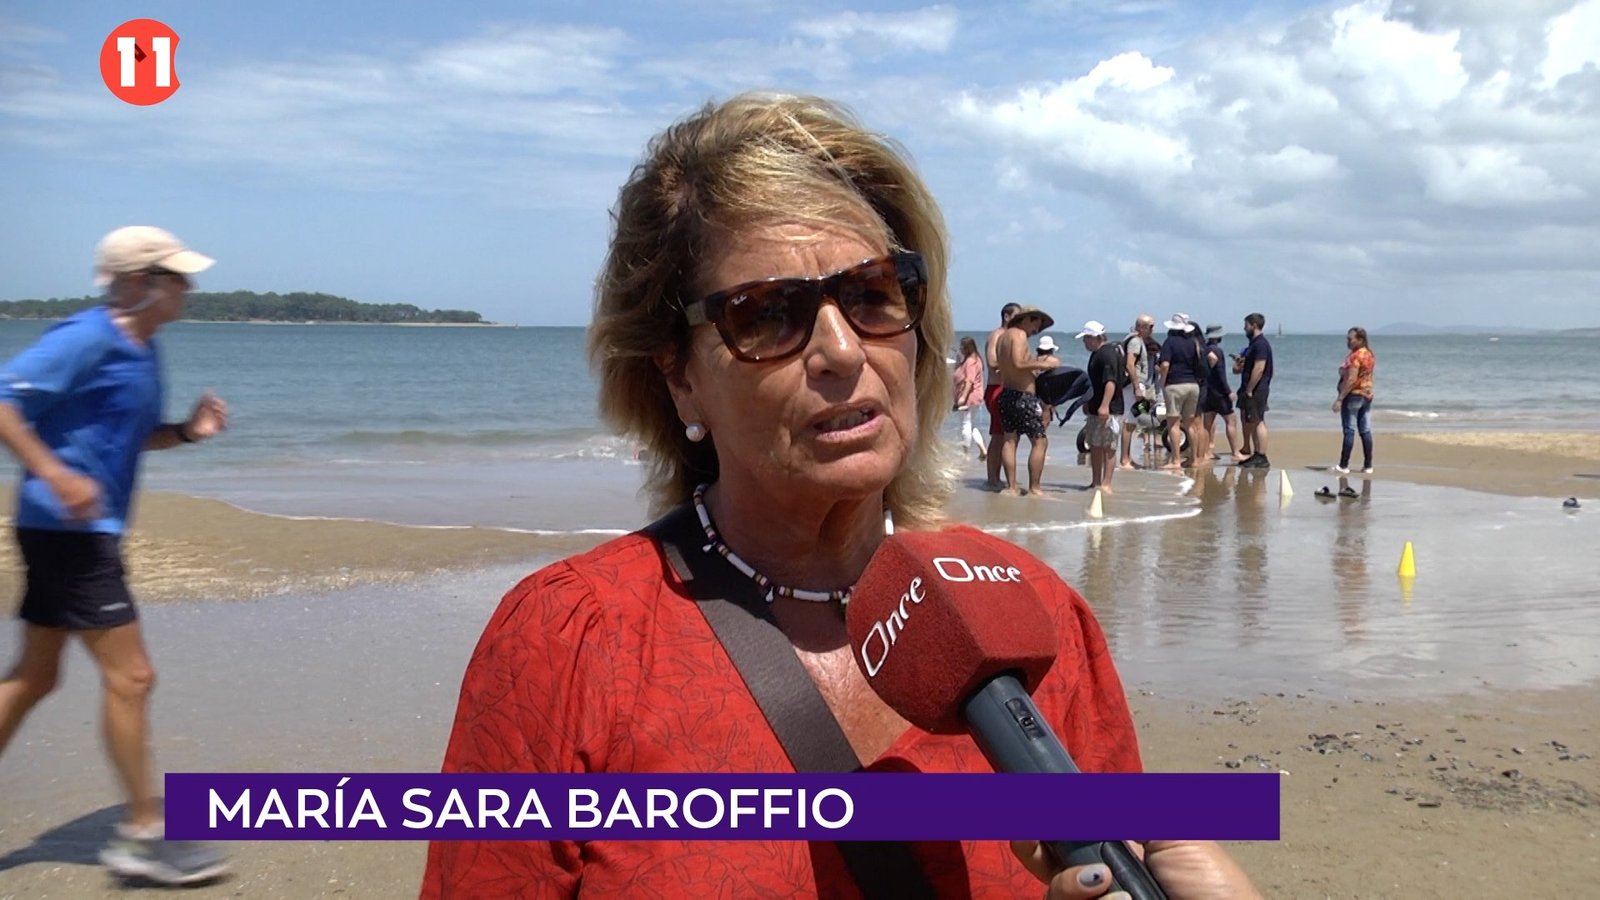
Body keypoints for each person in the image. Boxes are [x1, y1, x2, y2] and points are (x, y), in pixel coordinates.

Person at [420, 92, 1259, 899]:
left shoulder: (1037, 617)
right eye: (765, 313)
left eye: (870, 295)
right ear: (678, 378)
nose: (840, 351)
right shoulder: (571, 645)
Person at [0, 225, 231, 885]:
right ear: (139, 283)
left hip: (77, 535)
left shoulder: (143, 348)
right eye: (177, 275)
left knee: (34, 677)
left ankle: (139, 831)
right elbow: (4, 401)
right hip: (69, 535)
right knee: (132, 679)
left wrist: (187, 431)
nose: (188, 286)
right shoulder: (87, 338)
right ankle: (140, 834)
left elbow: (130, 438)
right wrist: (55, 473)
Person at [996, 305, 1061, 497]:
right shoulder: (1019, 335)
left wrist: (1033, 366)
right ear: (1027, 319)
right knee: (1040, 442)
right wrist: (1046, 363)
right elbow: (1018, 363)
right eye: (1036, 326)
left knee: (1010, 440)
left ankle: (1011, 487)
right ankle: (1035, 488)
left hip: (1007, 393)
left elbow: (1008, 366)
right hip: (1023, 397)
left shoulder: (1002, 338)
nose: (1036, 331)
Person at [1154, 313, 1213, 471]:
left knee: (1173, 423)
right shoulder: (1194, 342)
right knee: (1190, 424)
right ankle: (1194, 459)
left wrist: (1162, 380)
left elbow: (1165, 365)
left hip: (1175, 384)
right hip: (1193, 385)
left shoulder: (1170, 342)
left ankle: (1176, 460)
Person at [1076, 321, 1123, 494]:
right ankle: (1095, 481)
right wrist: (1087, 403)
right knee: (1095, 445)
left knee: (1109, 447)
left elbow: (1110, 382)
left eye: (1086, 339)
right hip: (1095, 407)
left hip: (1110, 409)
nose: (1084, 343)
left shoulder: (1107, 354)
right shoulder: (1097, 354)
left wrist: (1105, 406)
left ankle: (1106, 483)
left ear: (1094, 337)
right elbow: (1093, 384)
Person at [982, 302, 1021, 489]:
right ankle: (992, 478)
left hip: (1007, 389)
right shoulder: (997, 335)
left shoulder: (1012, 336)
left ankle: (998, 478)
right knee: (1000, 436)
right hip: (996, 389)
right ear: (1006, 316)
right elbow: (992, 361)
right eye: (1017, 316)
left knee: (1005, 435)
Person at [1333, 326, 1375, 474]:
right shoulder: (1369, 354)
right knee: (1365, 430)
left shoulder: (1356, 356)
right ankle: (1368, 465)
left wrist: (1340, 398)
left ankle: (1343, 465)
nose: (1348, 342)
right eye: (1348, 339)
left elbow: (1351, 379)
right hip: (1367, 394)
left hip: (1354, 394)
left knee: (1349, 430)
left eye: (1351, 339)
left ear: (1360, 340)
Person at [1236, 313, 1275, 469]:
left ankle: (1262, 455)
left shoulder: (1260, 344)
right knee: (1253, 421)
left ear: (1254, 325)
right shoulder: (1254, 344)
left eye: (1246, 325)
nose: (1244, 328)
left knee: (1258, 421)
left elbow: (1259, 368)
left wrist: (1250, 389)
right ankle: (1257, 454)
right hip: (1253, 388)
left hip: (1257, 389)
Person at [1199, 324, 1242, 462]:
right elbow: (1219, 374)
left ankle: (1205, 452)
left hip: (1207, 391)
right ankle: (1235, 452)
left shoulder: (1203, 350)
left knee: (1207, 424)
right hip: (1219, 393)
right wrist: (1228, 391)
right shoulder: (1217, 351)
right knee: (1231, 421)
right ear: (1218, 337)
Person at [1118, 314, 1154, 469]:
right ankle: (1125, 459)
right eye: (1149, 326)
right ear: (1141, 327)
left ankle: (1127, 457)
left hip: (1134, 384)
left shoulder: (1134, 340)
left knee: (1133, 420)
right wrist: (1136, 386)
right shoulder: (1135, 341)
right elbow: (1130, 364)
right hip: (1133, 385)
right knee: (1129, 421)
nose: (1152, 330)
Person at [952, 335, 986, 461]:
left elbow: (969, 381)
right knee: (972, 425)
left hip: (969, 397)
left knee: (965, 424)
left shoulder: (970, 362)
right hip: (975, 397)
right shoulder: (974, 360)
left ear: (967, 348)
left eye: (962, 347)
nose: (960, 348)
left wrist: (962, 397)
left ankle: (965, 453)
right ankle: (983, 449)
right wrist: (958, 360)